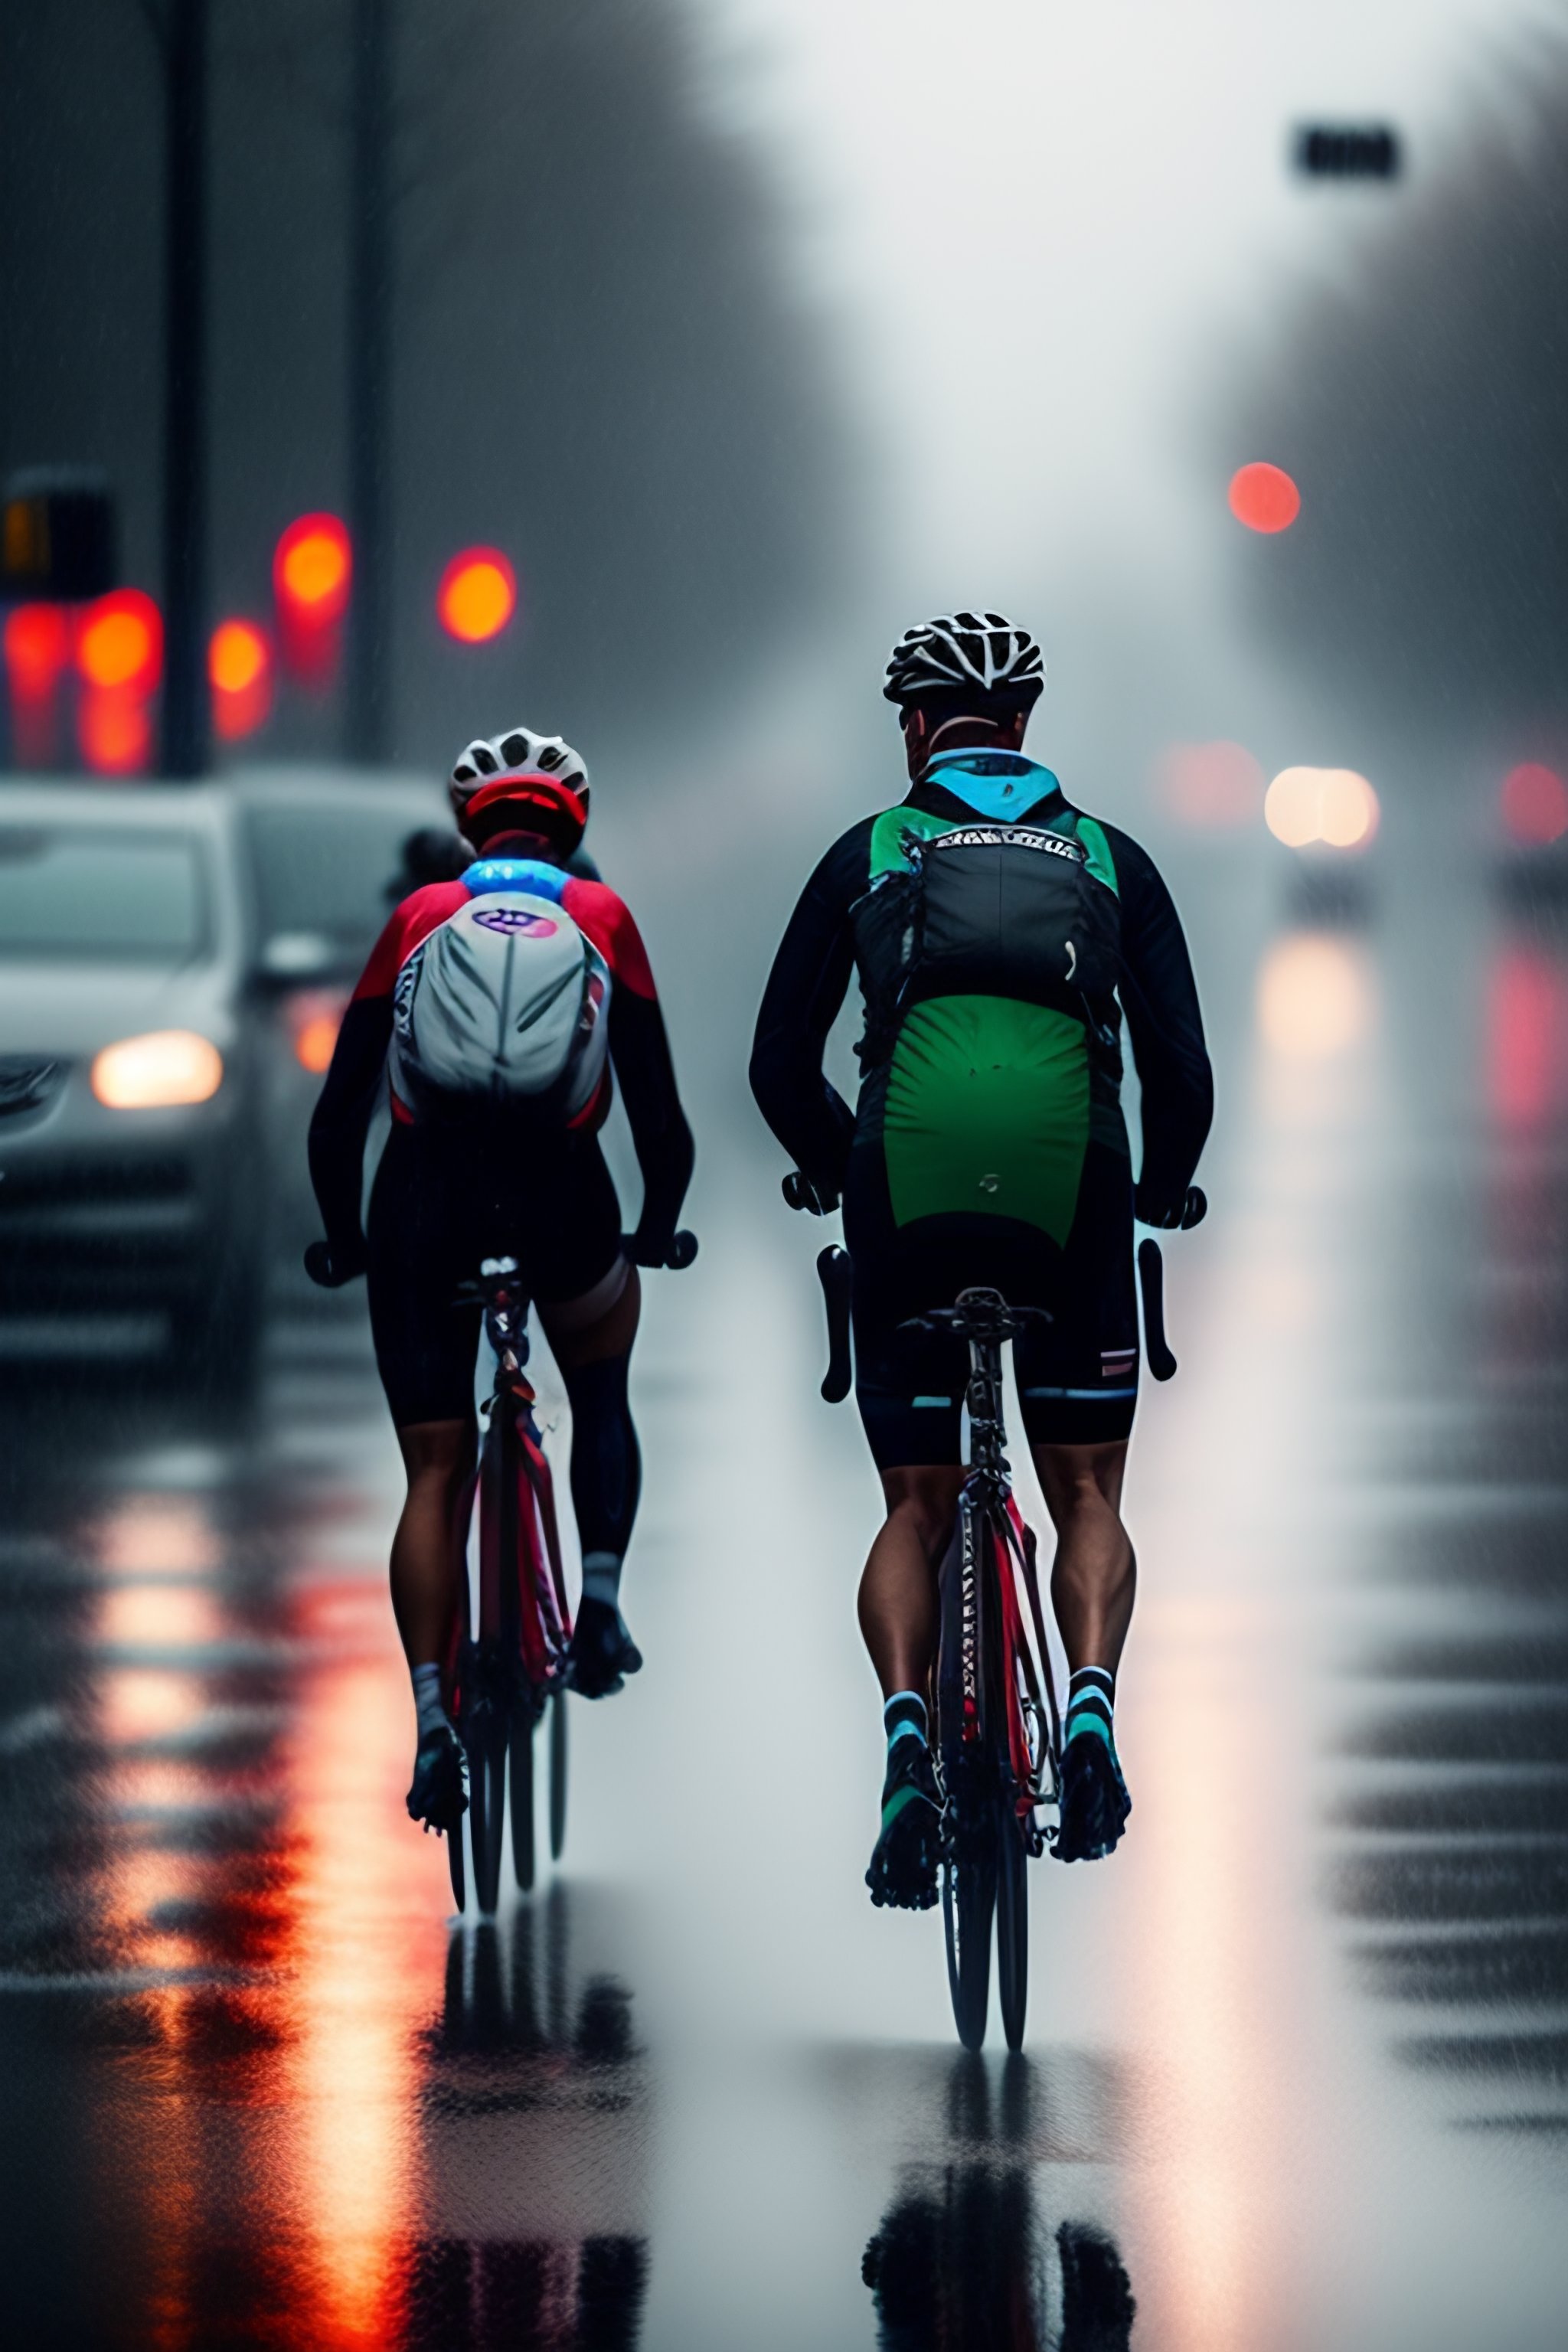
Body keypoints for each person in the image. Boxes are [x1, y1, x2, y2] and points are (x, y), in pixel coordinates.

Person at [750, 615, 1211, 1906]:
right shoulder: (1110, 858)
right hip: (1074, 1203)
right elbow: (1181, 1071)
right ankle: (1090, 1707)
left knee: (913, 1505)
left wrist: (843, 1166)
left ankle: (909, 1748)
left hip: (905, 1194)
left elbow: (776, 1064)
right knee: (1088, 1495)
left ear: (916, 729)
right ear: (1022, 727)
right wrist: (1160, 1190)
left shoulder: (870, 852)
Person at [307, 726, 694, 1834]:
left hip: (422, 1199)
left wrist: (345, 1238)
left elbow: (340, 1113)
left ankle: (434, 1719)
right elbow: (659, 1117)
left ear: (469, 827)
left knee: (434, 1472)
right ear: (573, 828)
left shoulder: (420, 916)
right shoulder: (601, 916)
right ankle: (601, 1604)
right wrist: (657, 1228)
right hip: (560, 1195)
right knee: (601, 1379)